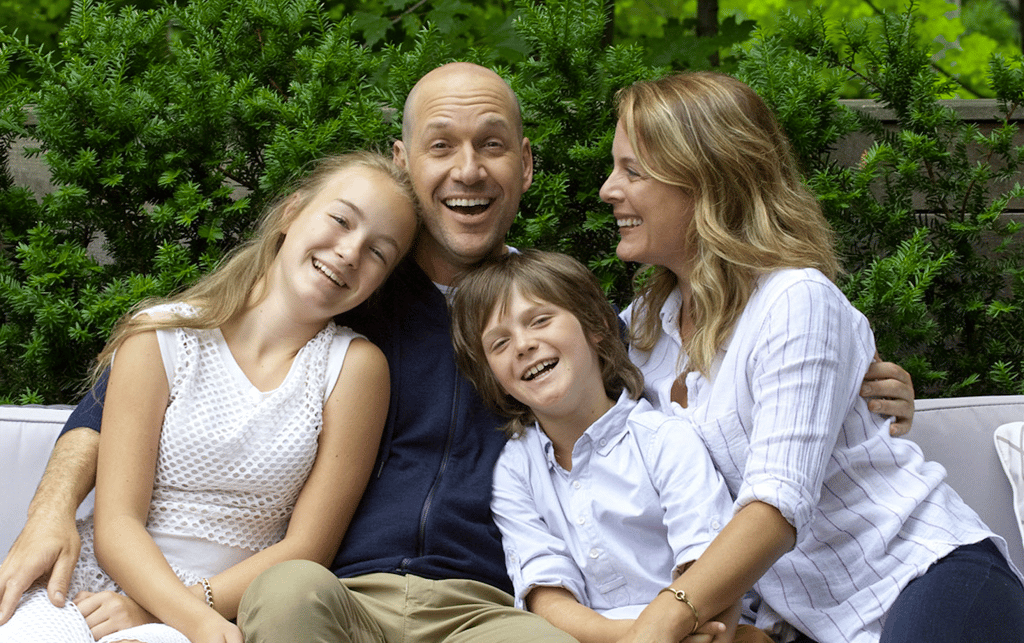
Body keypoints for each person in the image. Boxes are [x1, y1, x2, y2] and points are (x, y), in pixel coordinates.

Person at [0, 63, 917, 643]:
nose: (467, 169)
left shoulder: (558, 314)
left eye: (491, 147)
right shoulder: (346, 289)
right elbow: (162, 372)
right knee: (288, 595)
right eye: (441, 147)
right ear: (407, 163)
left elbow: (682, 399)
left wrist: (852, 393)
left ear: (524, 168)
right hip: (338, 597)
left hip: (492, 604)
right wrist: (51, 503)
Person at [598, 71, 1024, 643]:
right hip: (809, 626)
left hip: (924, 578)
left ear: (707, 179)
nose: (607, 189)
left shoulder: (795, 301)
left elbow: (775, 506)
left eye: (633, 170)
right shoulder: (643, 329)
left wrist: (666, 619)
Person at [0, 151, 419, 643]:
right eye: (341, 220)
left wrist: (185, 616)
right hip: (98, 585)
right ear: (292, 212)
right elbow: (118, 523)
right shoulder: (160, 337)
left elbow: (307, 547)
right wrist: (180, 614)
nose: (350, 251)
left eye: (378, 252)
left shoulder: (354, 369)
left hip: (222, 607)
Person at [449, 249, 774, 643]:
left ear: (596, 326)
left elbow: (712, 565)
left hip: (700, 621)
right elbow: (547, 594)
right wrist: (629, 637)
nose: (522, 345)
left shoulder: (662, 440)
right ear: (492, 377)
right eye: (499, 344)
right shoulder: (515, 469)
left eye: (540, 321)